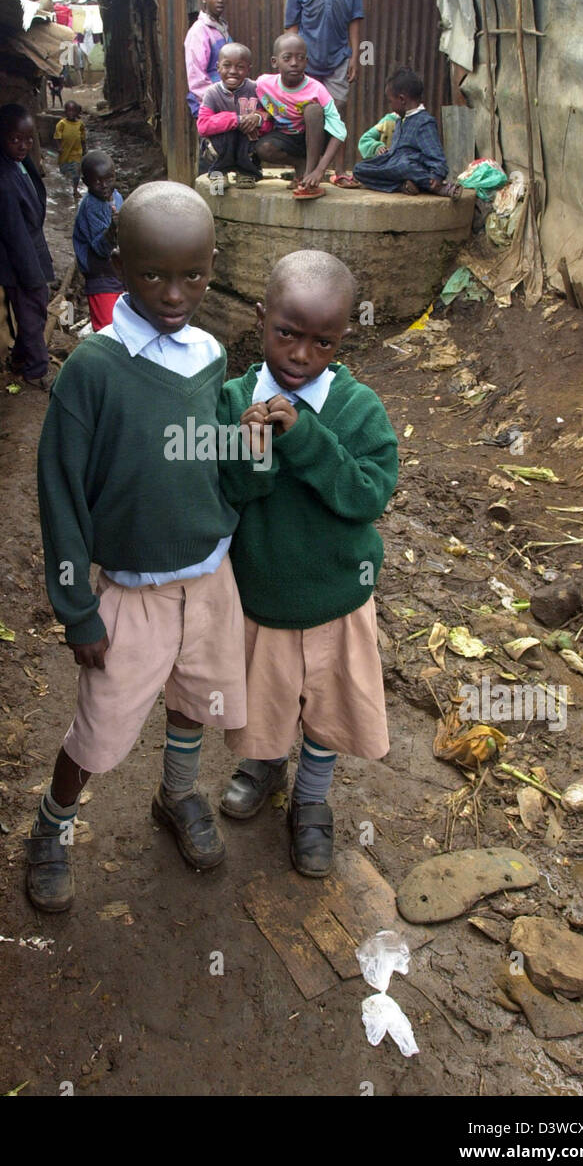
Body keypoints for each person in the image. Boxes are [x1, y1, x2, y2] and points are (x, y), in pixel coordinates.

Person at [27, 181, 248, 912]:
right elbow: (60, 494)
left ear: (212, 265)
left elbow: (216, 458)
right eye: (154, 273)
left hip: (210, 578)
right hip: (132, 591)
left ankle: (177, 796)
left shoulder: (211, 354)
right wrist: (76, 609)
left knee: (194, 701)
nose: (175, 292)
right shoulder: (93, 369)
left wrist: (258, 454)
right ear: (120, 262)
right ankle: (52, 827)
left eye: (193, 273)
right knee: (100, 727)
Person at [216, 251, 399, 876]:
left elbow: (367, 496)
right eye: (287, 334)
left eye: (323, 342)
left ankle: (313, 803)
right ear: (262, 318)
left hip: (336, 601)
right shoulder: (234, 399)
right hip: (262, 599)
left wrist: (307, 439)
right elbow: (227, 494)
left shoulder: (358, 410)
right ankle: (266, 765)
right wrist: (253, 451)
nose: (300, 355)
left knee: (326, 710)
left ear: (342, 339)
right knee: (266, 703)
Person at [284, 0, 364, 183]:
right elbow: (291, 25)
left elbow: (355, 17)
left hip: (339, 57)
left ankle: (339, 171)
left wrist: (354, 55)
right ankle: (305, 169)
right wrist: (292, 62)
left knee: (338, 111)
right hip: (307, 62)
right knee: (308, 115)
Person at [0, 103, 55, 391]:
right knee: (31, 315)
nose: (23, 145)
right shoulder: (2, 181)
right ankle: (37, 370)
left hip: (34, 252)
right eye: (15, 139)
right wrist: (32, 276)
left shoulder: (22, 163)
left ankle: (20, 357)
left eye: (28, 139)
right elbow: (15, 235)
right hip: (22, 262)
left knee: (34, 310)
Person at [254, 33, 347, 198]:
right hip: (288, 138)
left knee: (313, 111)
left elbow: (339, 131)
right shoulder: (263, 84)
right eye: (287, 58)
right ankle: (301, 164)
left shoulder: (316, 89)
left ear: (307, 62)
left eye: (300, 58)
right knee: (263, 148)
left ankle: (309, 177)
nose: (294, 63)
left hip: (315, 138)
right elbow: (243, 95)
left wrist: (320, 170)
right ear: (275, 62)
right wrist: (258, 115)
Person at [351, 66, 462, 197]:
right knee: (359, 169)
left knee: (405, 166)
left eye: (390, 101)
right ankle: (402, 186)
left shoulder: (424, 122)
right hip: (395, 164)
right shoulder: (400, 120)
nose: (390, 105)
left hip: (411, 167)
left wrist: (437, 175)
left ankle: (435, 187)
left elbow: (436, 156)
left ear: (402, 99)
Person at [196, 43, 271, 188]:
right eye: (227, 65)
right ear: (218, 67)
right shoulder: (212, 93)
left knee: (249, 130)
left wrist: (258, 119)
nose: (233, 71)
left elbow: (271, 119)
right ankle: (218, 173)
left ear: (249, 69)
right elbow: (203, 126)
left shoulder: (257, 89)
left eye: (240, 67)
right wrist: (235, 120)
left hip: (247, 144)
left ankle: (247, 173)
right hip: (221, 146)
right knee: (224, 131)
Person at [72, 149, 124, 331]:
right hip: (99, 275)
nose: (104, 185)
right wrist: (113, 229)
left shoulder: (116, 196)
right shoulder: (91, 206)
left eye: (108, 179)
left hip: (116, 272)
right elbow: (101, 249)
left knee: (123, 323)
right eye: (97, 181)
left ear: (115, 175)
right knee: (107, 330)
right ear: (86, 182)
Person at [184, 0, 233, 118]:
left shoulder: (221, 29)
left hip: (227, 102)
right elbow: (197, 77)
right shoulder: (199, 31)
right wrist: (218, 103)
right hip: (210, 106)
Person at [53, 101, 87, 200]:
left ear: (77, 112)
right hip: (65, 153)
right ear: (65, 112)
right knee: (64, 171)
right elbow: (56, 137)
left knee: (76, 173)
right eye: (68, 111)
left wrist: (84, 149)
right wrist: (59, 147)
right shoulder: (61, 124)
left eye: (73, 111)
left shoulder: (80, 124)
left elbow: (83, 138)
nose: (71, 113)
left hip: (77, 153)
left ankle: (75, 190)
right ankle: (67, 183)